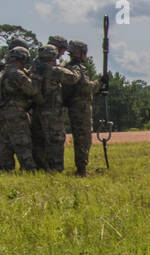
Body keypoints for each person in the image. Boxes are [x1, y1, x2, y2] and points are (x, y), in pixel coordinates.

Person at [62, 40, 104, 177]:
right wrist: (99, 83)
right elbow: (85, 88)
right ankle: (81, 169)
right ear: (80, 53)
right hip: (80, 108)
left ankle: (81, 167)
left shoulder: (68, 67)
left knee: (82, 138)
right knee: (83, 139)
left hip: (77, 106)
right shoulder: (77, 68)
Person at [0, 46, 39, 172]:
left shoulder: (2, 73)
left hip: (4, 113)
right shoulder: (16, 73)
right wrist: (35, 77)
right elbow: (32, 89)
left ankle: (5, 171)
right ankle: (29, 170)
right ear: (23, 58)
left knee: (5, 145)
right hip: (16, 114)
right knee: (23, 143)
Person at [36, 45, 77, 172]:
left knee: (41, 142)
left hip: (38, 111)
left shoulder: (36, 70)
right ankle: (56, 169)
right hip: (53, 112)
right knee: (56, 141)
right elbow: (73, 78)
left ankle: (42, 168)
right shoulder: (54, 70)